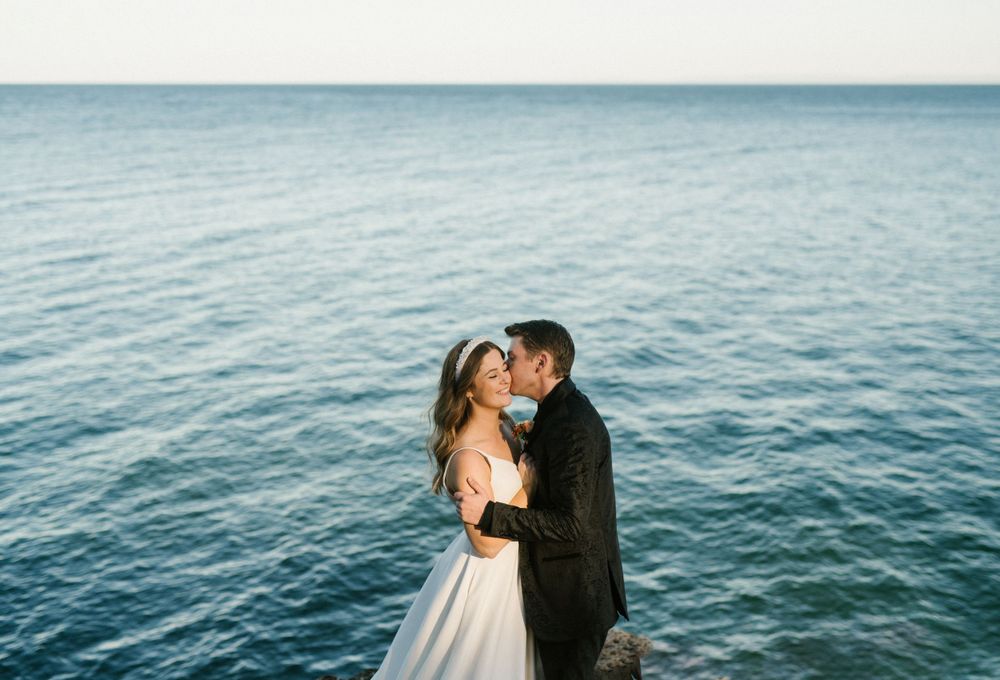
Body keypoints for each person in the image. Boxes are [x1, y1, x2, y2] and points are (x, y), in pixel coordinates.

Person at [454, 320, 629, 680]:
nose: (506, 369)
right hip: (556, 594)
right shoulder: (554, 414)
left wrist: (490, 514)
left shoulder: (572, 427)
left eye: (512, 359)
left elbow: (571, 524)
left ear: (541, 363)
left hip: (574, 600)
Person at [372, 336, 540, 679]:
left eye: (504, 367)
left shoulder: (508, 427)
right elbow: (487, 544)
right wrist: (528, 487)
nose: (505, 378)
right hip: (491, 583)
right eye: (491, 376)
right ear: (468, 390)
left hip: (521, 569)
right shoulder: (468, 460)